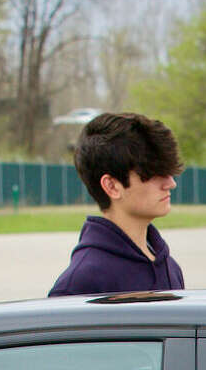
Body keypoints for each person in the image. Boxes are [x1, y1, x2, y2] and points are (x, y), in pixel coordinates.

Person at [48, 112, 185, 296]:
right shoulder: (81, 283)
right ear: (111, 186)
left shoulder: (170, 268)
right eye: (153, 174)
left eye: (168, 172)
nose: (170, 183)